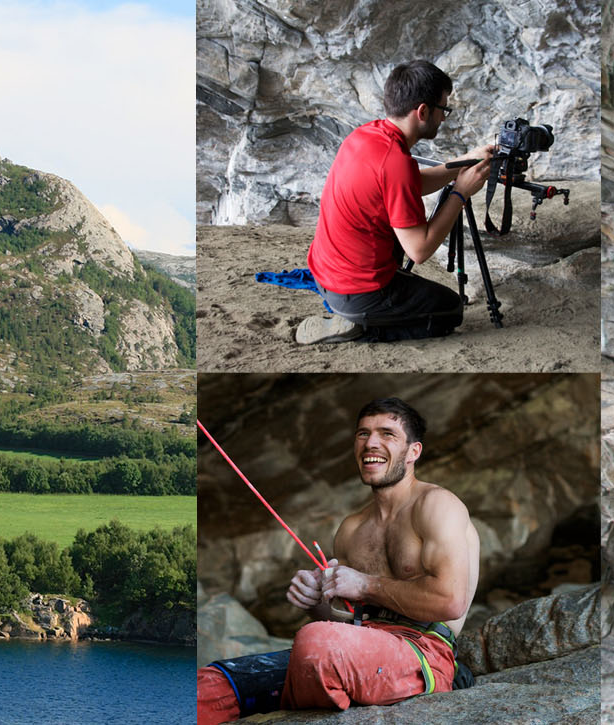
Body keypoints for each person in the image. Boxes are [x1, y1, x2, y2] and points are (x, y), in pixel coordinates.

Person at [196, 398, 481, 722]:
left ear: (414, 451)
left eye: (387, 433)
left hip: (423, 652)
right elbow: (349, 621)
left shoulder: (437, 505)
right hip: (350, 651)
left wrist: (365, 584)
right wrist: (315, 603)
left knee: (316, 643)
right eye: (363, 433)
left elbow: (450, 601)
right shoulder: (352, 528)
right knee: (209, 684)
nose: (370, 442)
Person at [296, 60, 497, 344]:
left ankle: (356, 313)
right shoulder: (395, 162)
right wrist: (460, 193)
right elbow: (419, 249)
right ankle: (360, 326)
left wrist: (465, 162)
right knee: (451, 309)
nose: (443, 118)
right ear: (423, 111)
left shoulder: (366, 135)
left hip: (326, 273)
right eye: (443, 109)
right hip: (356, 291)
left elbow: (412, 183)